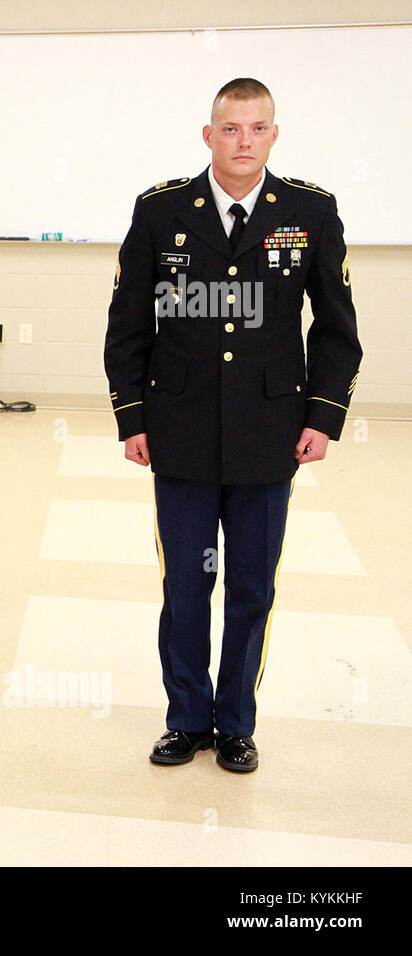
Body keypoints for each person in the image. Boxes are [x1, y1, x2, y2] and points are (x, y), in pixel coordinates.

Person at [103, 78, 361, 773]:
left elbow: (337, 330)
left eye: (257, 128)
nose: (243, 141)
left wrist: (323, 418)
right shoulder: (161, 211)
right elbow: (129, 322)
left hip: (270, 432)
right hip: (179, 428)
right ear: (209, 134)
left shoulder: (309, 209)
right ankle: (187, 719)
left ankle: (237, 721)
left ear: (273, 134)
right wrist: (132, 414)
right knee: (185, 585)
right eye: (230, 128)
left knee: (251, 587)